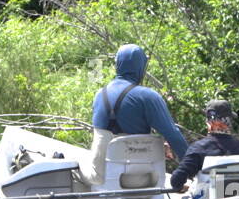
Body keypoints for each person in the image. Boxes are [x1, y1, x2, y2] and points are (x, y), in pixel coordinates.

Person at [81, 44, 189, 185]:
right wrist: (192, 168)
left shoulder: (99, 95)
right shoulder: (149, 97)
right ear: (141, 68)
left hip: (101, 180)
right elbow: (174, 136)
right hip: (144, 181)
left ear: (118, 65)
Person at [170, 100, 239, 192]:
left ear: (207, 121)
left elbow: (176, 180)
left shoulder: (198, 148)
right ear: (229, 121)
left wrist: (180, 187)